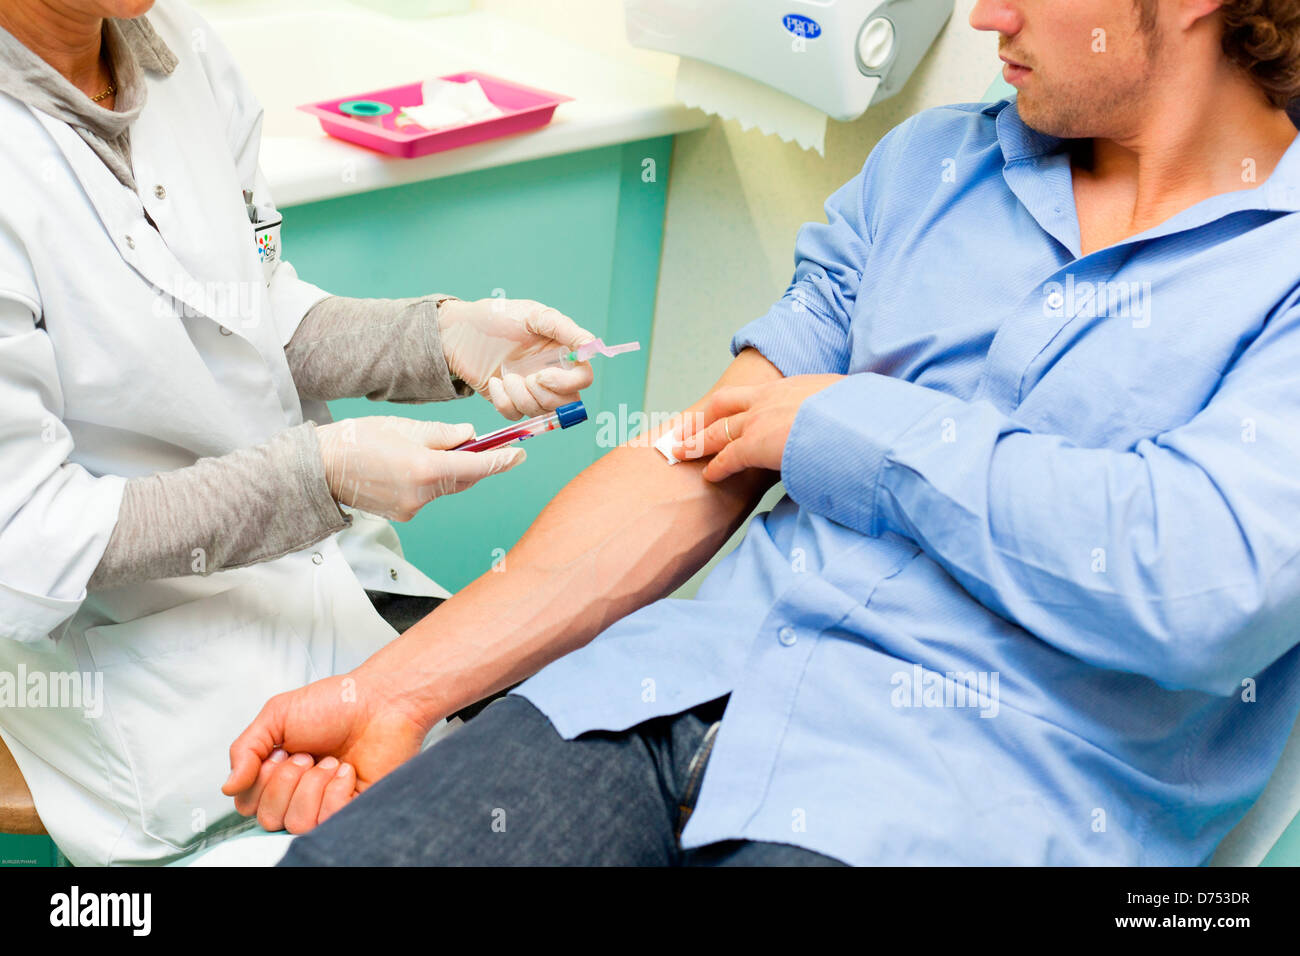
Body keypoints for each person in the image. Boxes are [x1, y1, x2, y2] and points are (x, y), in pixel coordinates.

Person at [226, 0, 1300, 866]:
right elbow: (698, 455)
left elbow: (1199, 581)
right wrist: (397, 689)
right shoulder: (929, 167)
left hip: (962, 790)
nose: (983, 17)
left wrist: (850, 426)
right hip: (671, 700)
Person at [0, 0, 594, 865]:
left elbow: (253, 307)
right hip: (144, 697)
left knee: (548, 783)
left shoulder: (184, 53)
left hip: (328, 599)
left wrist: (437, 339)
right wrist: (319, 478)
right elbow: (29, 538)